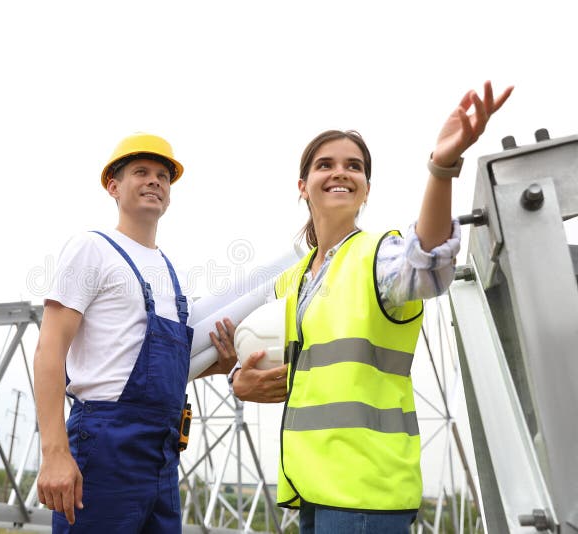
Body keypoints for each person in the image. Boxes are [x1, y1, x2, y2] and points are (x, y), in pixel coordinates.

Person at [212, 81, 513, 533]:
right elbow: (279, 363)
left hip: (365, 495)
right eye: (325, 165)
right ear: (302, 185)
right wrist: (240, 379)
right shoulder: (293, 283)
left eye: (354, 166)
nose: (341, 173)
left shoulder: (379, 257)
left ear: (367, 188)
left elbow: (426, 256)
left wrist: (442, 166)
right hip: (312, 491)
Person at [33, 132, 237, 533]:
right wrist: (54, 452)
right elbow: (49, 349)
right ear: (113, 185)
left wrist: (220, 362)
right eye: (141, 172)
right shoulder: (92, 248)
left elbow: (160, 368)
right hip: (105, 444)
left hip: (162, 453)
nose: (154, 181)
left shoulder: (170, 274)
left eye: (163, 175)